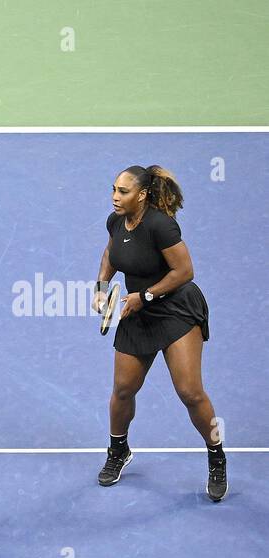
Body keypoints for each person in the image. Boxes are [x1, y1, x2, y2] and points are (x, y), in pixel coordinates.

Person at [94, 165, 225, 501]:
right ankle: (118, 450)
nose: (114, 196)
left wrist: (146, 296)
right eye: (113, 189)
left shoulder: (160, 225)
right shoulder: (116, 222)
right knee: (123, 389)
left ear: (142, 195)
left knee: (190, 392)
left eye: (123, 192)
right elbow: (111, 252)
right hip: (138, 311)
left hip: (175, 310)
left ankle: (216, 455)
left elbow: (184, 271)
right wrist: (102, 286)